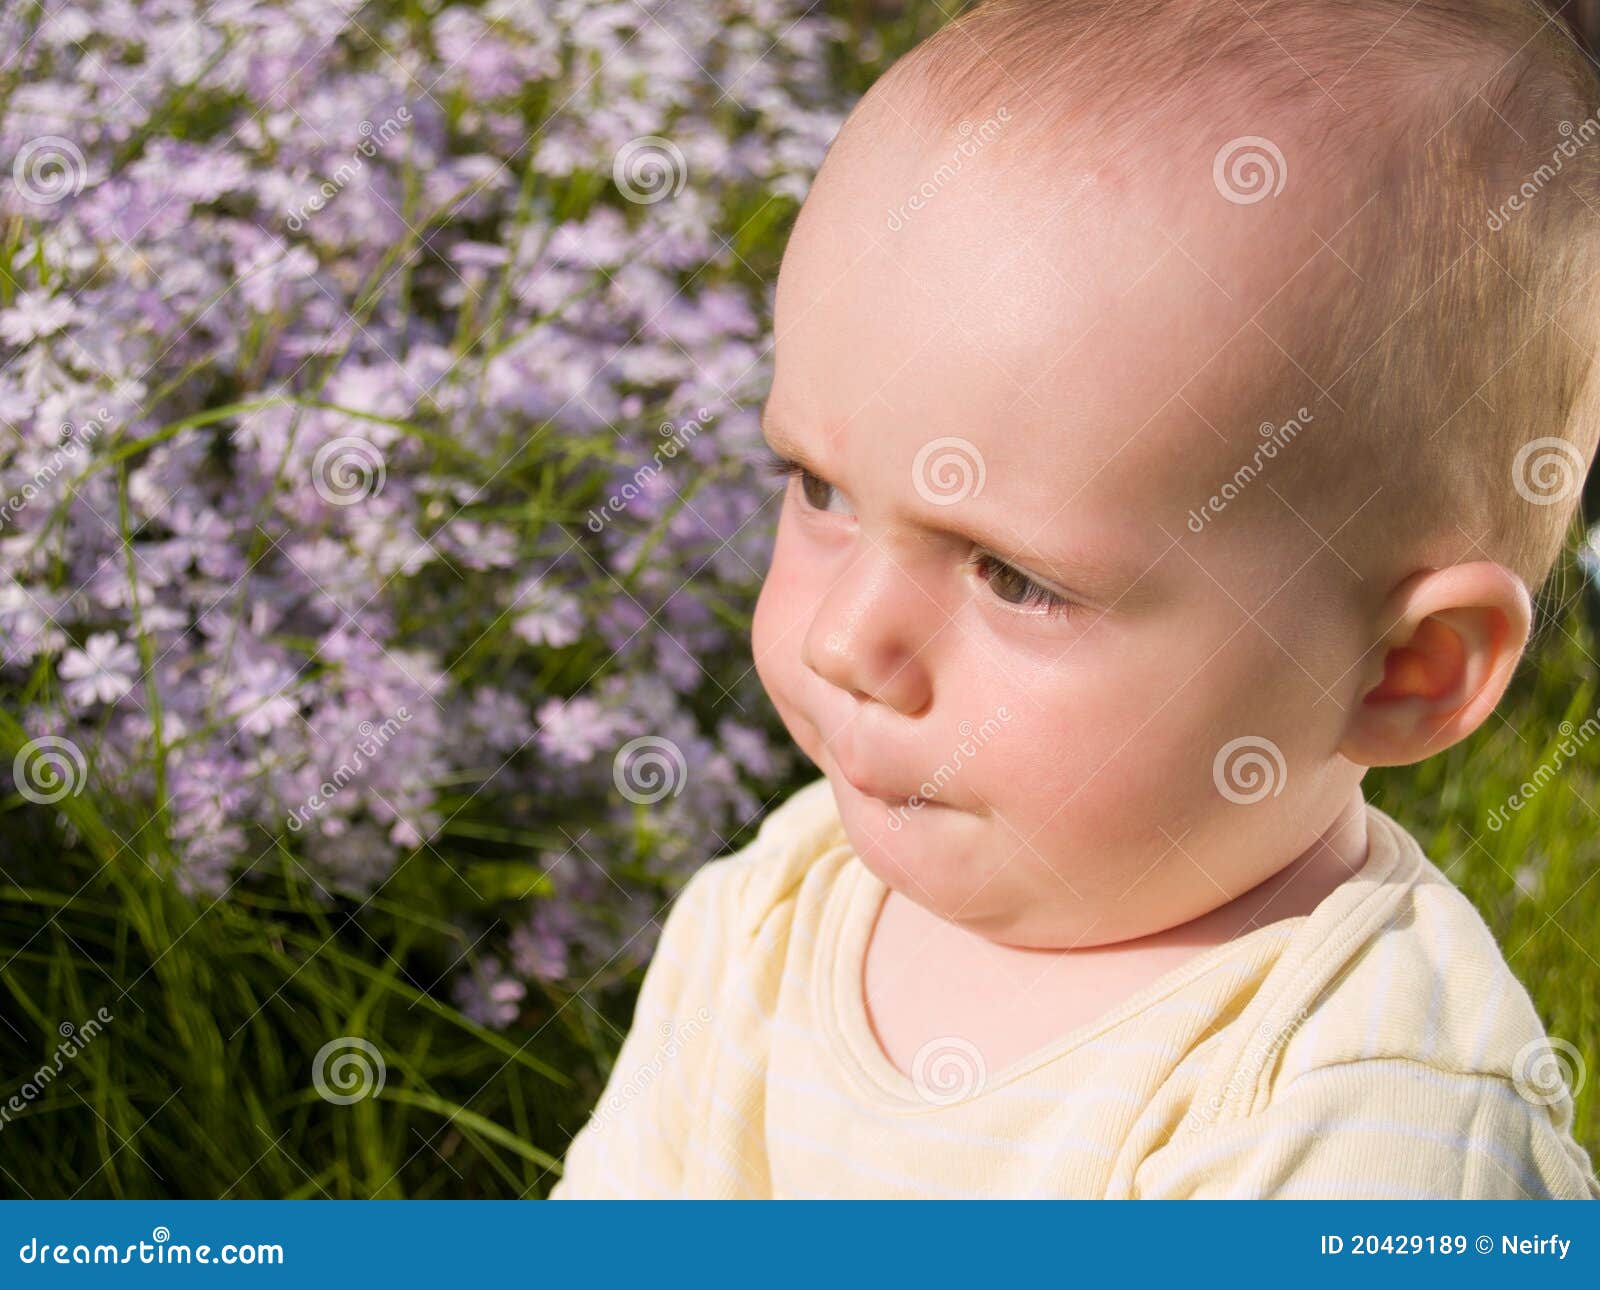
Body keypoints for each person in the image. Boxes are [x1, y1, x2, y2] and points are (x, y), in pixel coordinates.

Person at [550, 0, 1600, 1198]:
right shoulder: (776, 908)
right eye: (821, 489)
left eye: (1014, 578)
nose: (844, 641)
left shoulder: (1359, 1114)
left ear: (1404, 670)